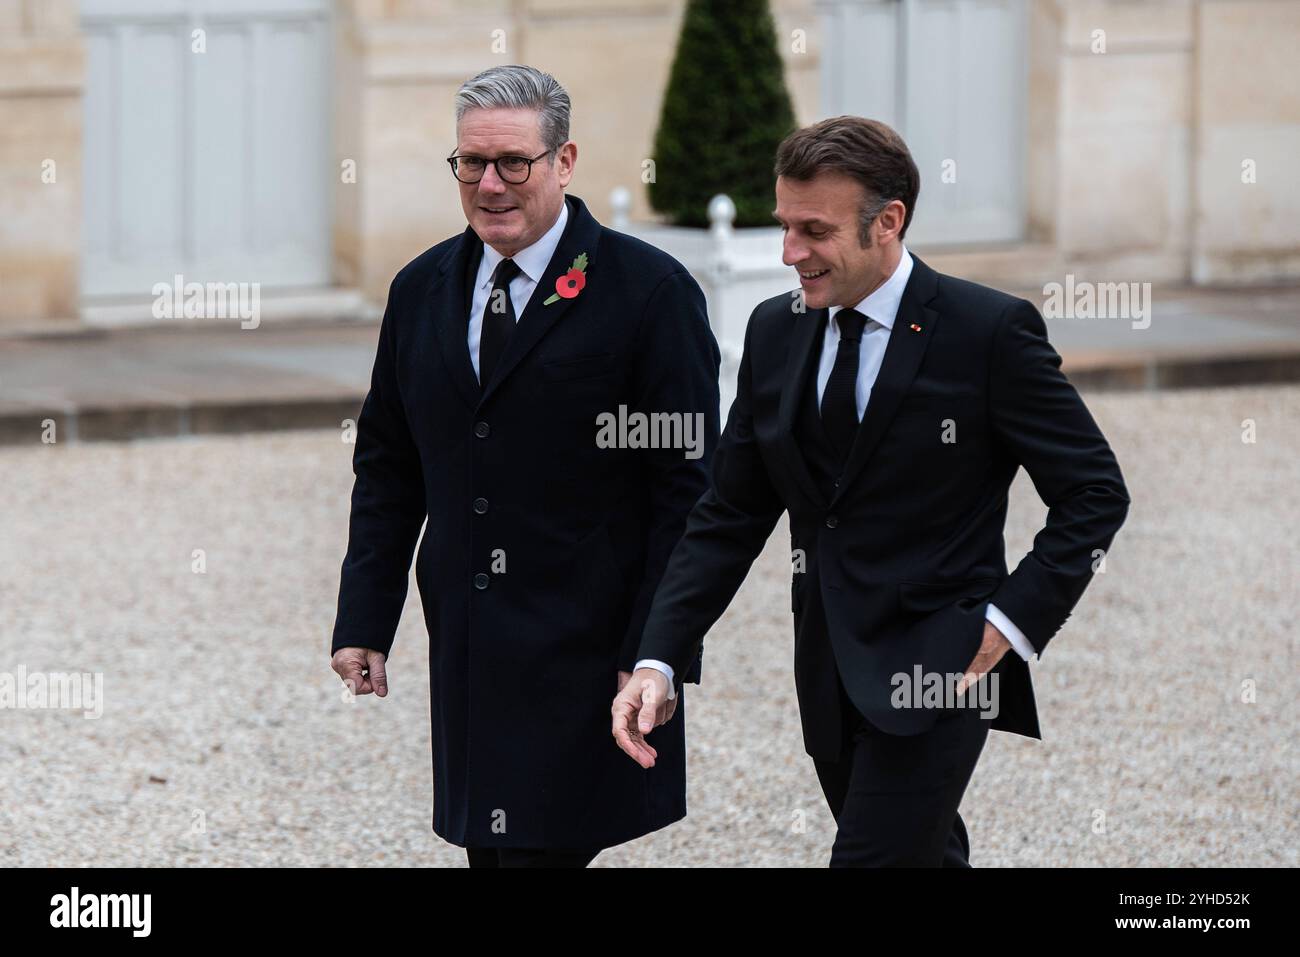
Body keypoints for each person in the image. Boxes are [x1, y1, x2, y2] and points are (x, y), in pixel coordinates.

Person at [613, 115, 1130, 866]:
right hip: (825, 671)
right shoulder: (774, 329)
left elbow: (1094, 492)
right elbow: (728, 514)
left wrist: (1006, 629)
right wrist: (658, 656)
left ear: (888, 222)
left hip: (946, 671)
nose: (790, 253)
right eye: (785, 226)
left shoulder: (988, 333)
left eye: (813, 231)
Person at [332, 64, 719, 867]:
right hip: (470, 642)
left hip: (589, 646)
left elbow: (686, 491)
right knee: (493, 847)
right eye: (471, 164)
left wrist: (657, 649)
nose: (490, 184)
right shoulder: (420, 289)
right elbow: (389, 463)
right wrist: (366, 615)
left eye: (515, 162)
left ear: (565, 161)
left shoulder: (648, 293)